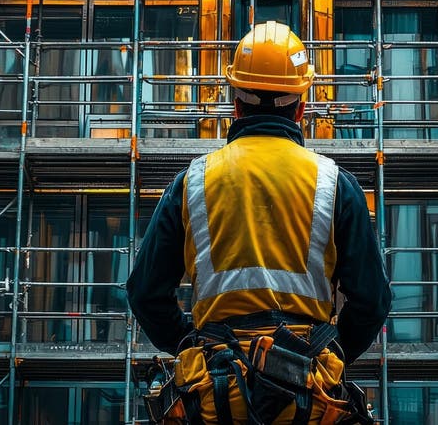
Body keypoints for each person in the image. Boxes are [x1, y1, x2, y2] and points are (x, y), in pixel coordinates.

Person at [127, 21, 391, 424]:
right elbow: (372, 301)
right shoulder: (335, 184)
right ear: (300, 107)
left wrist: (192, 343)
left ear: (236, 104)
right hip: (307, 397)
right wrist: (329, 352)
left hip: (214, 397)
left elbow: (145, 293)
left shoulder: (192, 183)